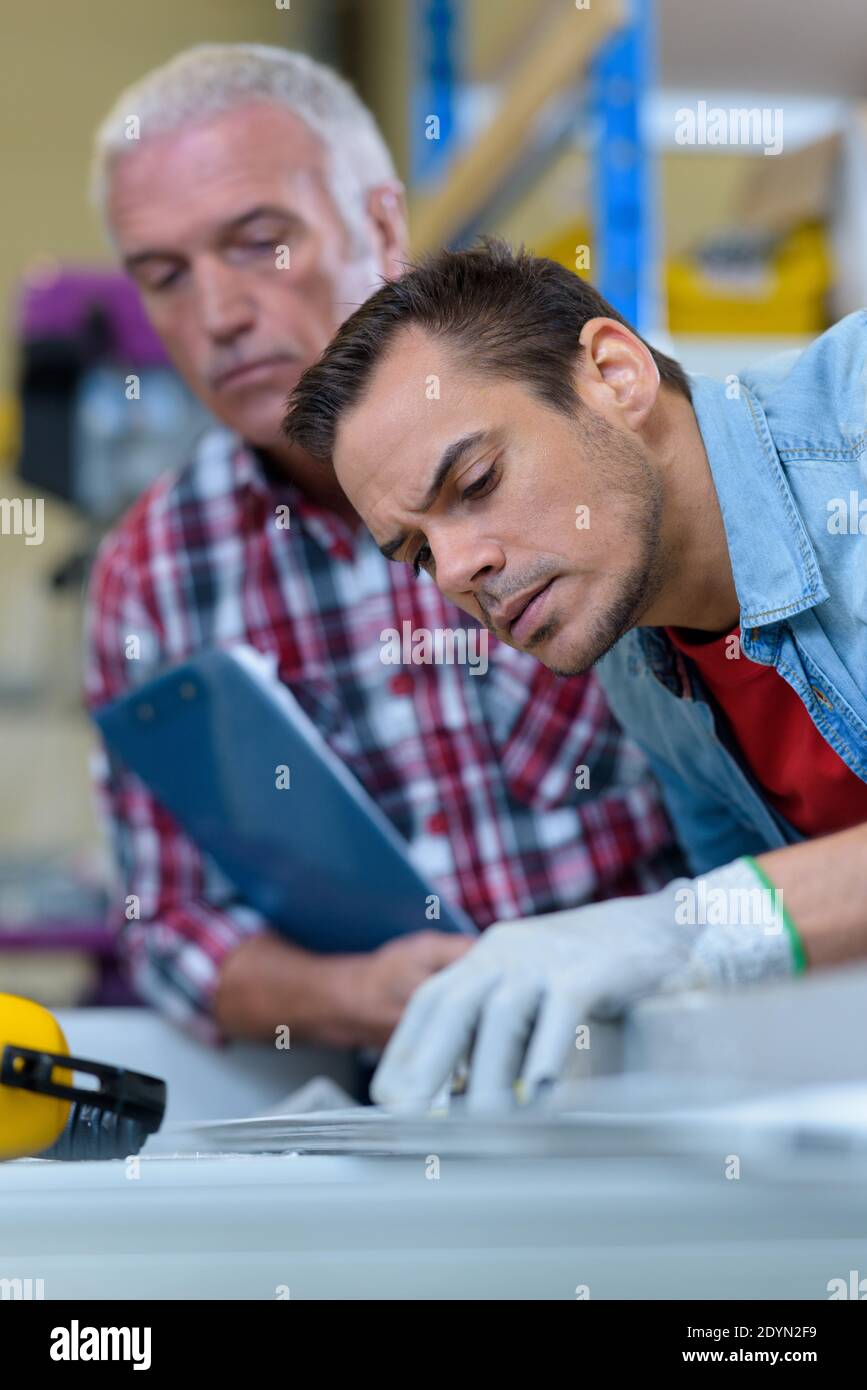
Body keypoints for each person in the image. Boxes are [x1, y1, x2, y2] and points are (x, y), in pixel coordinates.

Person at [84, 50, 679, 1051]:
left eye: (261, 244)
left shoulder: (598, 443)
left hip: (682, 1063)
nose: (219, 315)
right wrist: (364, 993)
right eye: (166, 277)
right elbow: (172, 928)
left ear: (385, 227)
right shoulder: (151, 577)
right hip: (409, 1100)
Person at [283, 238, 867, 1109]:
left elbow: (725, 934)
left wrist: (680, 929)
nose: (452, 574)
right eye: (415, 554)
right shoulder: (640, 671)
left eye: (475, 482)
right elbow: (787, 982)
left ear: (613, 373)